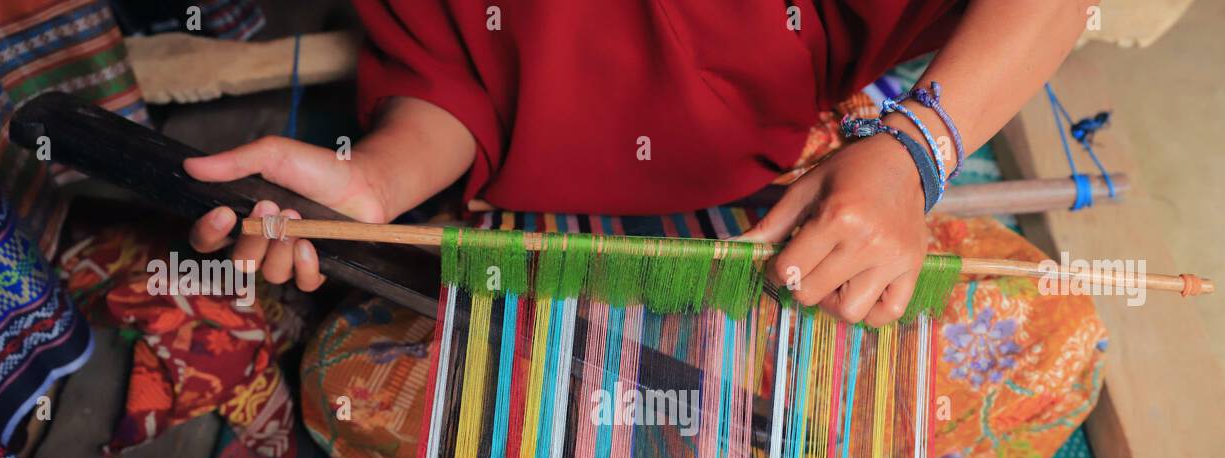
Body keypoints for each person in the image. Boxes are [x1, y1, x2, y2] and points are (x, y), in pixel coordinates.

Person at [186, 0, 1093, 326]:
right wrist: (376, 181)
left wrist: (914, 149)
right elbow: (461, 59)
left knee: (1028, 336)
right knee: (377, 414)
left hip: (823, 173)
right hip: (538, 206)